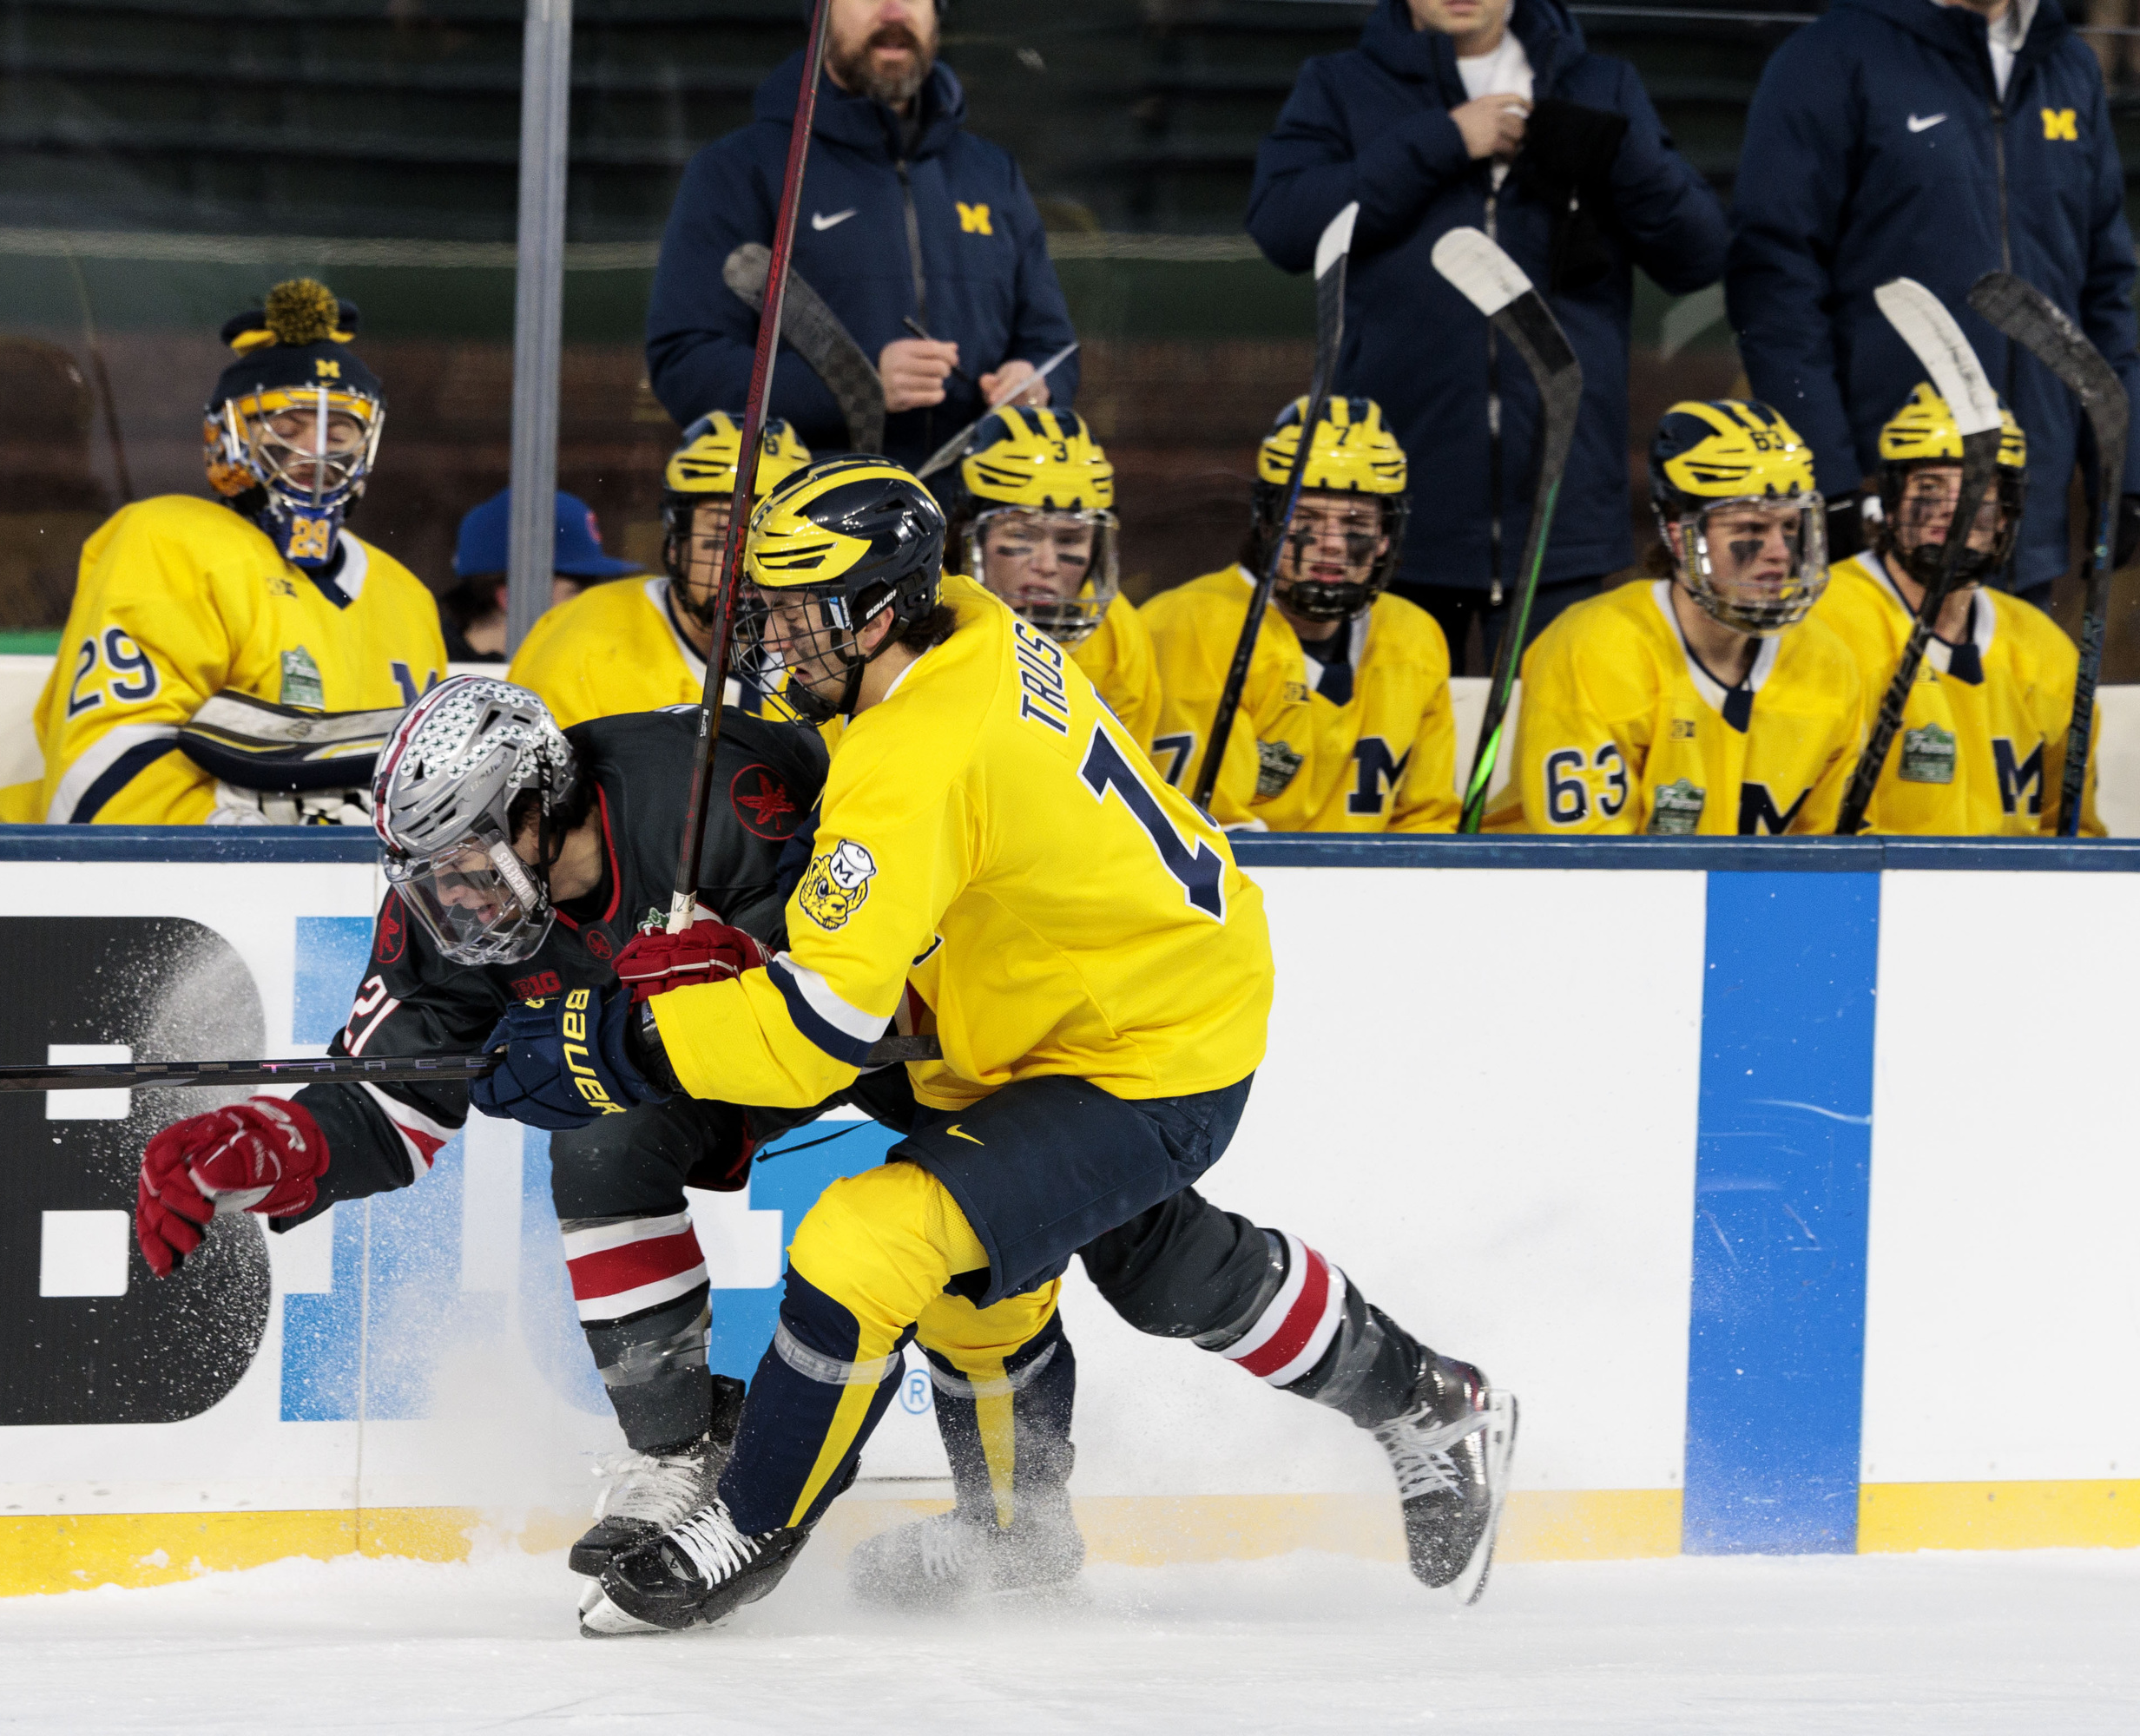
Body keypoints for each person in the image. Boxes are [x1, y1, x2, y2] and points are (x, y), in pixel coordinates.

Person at [462, 456, 1512, 1633]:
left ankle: (745, 1527)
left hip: (1134, 1047)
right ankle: (1039, 1531)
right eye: (773, 603)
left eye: (806, 612)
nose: (776, 634)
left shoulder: (914, 757)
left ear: (880, 613)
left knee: (876, 1243)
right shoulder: (969, 622)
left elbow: (814, 1040)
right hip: (1077, 1000)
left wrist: (622, 1040)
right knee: (1074, 1270)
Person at [131, 674, 871, 1575]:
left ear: (539, 803)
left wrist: (745, 958)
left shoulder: (716, 788)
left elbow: (857, 950)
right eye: (432, 875)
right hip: (691, 1058)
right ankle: (680, 1451)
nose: (459, 897)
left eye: (473, 862)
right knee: (599, 1145)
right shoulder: (449, 898)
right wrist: (281, 1141)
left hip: (854, 1018)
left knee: (978, 1226)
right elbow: (393, 1094)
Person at [1249, 0, 1726, 672]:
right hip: (1390, 500)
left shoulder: (1600, 84)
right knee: (1395, 748)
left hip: (1560, 503)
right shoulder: (1340, 84)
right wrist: (1443, 140)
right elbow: (1283, 225)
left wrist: (1617, 155)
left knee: (1545, 748)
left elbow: (1700, 253)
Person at [1726, 0, 2140, 608]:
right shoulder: (1828, 57)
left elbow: (2103, 293)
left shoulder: (2068, 65)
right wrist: (1826, 481)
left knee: (2011, 700)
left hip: (2025, 521)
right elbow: (1775, 284)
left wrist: (2124, 468)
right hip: (1883, 511)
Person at [0, 279, 447, 825]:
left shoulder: (406, 597)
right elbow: (104, 786)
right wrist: (269, 842)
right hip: (186, 893)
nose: (314, 451)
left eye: (340, 430)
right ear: (228, 435)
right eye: (288, 425)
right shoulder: (166, 542)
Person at [645, 0, 1077, 470]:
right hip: (810, 527)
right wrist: (854, 386)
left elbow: (1054, 348)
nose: (894, 12)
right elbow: (687, 367)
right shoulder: (738, 171)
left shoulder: (993, 174)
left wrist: (1034, 383)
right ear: (818, 13)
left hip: (973, 524)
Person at [1487, 400, 1868, 835]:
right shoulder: (1596, 646)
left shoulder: (1827, 660)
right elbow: (1590, 863)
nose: (1780, 553)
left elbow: (1833, 855)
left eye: (1790, 527)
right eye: (1749, 530)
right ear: (1677, 531)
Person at [1143, 396, 1458, 831]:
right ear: (1268, 524)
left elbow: (1427, 823)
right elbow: (1212, 833)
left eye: (1355, 525)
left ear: (1385, 537)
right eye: (1306, 520)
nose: (1330, 543)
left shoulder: (1415, 635)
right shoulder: (1189, 624)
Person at [1808, 385, 2101, 834]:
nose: (1953, 511)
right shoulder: (1824, 619)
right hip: (1874, 896)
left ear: (2006, 513)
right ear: (1891, 501)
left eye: (1977, 489)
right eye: (1929, 487)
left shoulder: (2044, 649)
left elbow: (2070, 834)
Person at [504, 412, 813, 727]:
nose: (749, 561)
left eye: (775, 537)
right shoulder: (581, 645)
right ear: (676, 539)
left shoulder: (829, 654)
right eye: (725, 533)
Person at [936, 406, 1162, 745]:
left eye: (1070, 539)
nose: (1047, 565)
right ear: (966, 534)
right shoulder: (914, 612)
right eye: (1021, 535)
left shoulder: (1118, 637)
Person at [442, 487, 642, 663]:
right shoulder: (429, 679)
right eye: (576, 593)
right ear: (512, 597)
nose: (593, 606)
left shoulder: (578, 671)